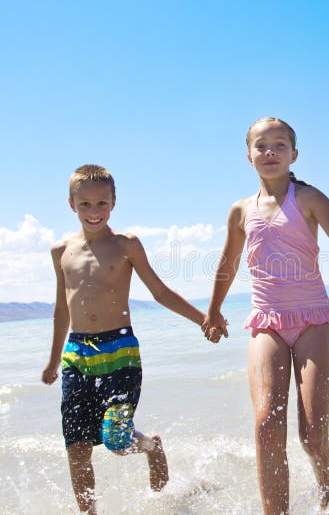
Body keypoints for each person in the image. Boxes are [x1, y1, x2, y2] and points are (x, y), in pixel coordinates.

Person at [203, 118, 329, 514]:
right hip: (266, 323)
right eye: (261, 146)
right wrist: (213, 311)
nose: (270, 152)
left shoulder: (309, 199)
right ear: (248, 156)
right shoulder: (240, 210)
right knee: (266, 424)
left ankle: (327, 487)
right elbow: (227, 262)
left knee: (313, 434)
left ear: (294, 155)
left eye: (280, 145)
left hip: (312, 320)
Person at [41, 165, 218, 514]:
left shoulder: (126, 245)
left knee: (117, 440)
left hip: (120, 351)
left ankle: (151, 446)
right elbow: (62, 308)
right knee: (76, 447)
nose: (94, 212)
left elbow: (160, 292)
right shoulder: (59, 251)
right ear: (71, 204)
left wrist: (203, 319)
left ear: (114, 203)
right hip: (77, 354)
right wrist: (52, 360)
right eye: (85, 204)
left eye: (102, 203)